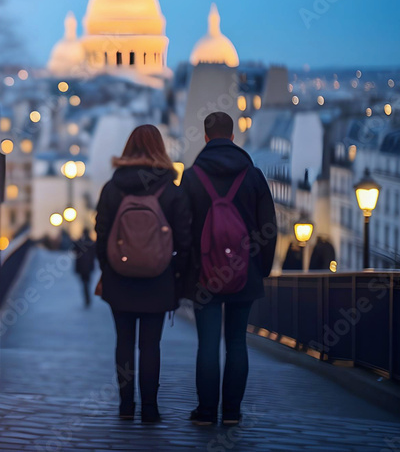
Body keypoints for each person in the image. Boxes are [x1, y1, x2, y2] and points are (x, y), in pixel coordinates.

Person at [179, 111, 277, 426]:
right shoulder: (253, 175)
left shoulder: (192, 176)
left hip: (203, 274)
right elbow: (269, 228)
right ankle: (232, 412)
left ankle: (206, 412)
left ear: (206, 137)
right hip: (243, 271)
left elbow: (182, 228)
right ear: (233, 137)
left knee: (207, 342)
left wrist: (185, 270)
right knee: (237, 341)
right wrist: (261, 269)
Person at [94, 125, 192, 423]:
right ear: (160, 149)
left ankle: (126, 406)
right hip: (158, 279)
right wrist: (174, 273)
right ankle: (150, 408)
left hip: (119, 277)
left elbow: (101, 234)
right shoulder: (171, 189)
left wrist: (108, 267)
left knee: (123, 343)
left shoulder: (113, 187)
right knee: (150, 345)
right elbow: (185, 241)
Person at [71, 230, 97, 307]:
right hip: (87, 267)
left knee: (85, 284)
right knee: (86, 284)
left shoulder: (80, 243)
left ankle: (87, 299)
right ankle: (87, 299)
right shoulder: (91, 243)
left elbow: (74, 249)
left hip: (83, 267)